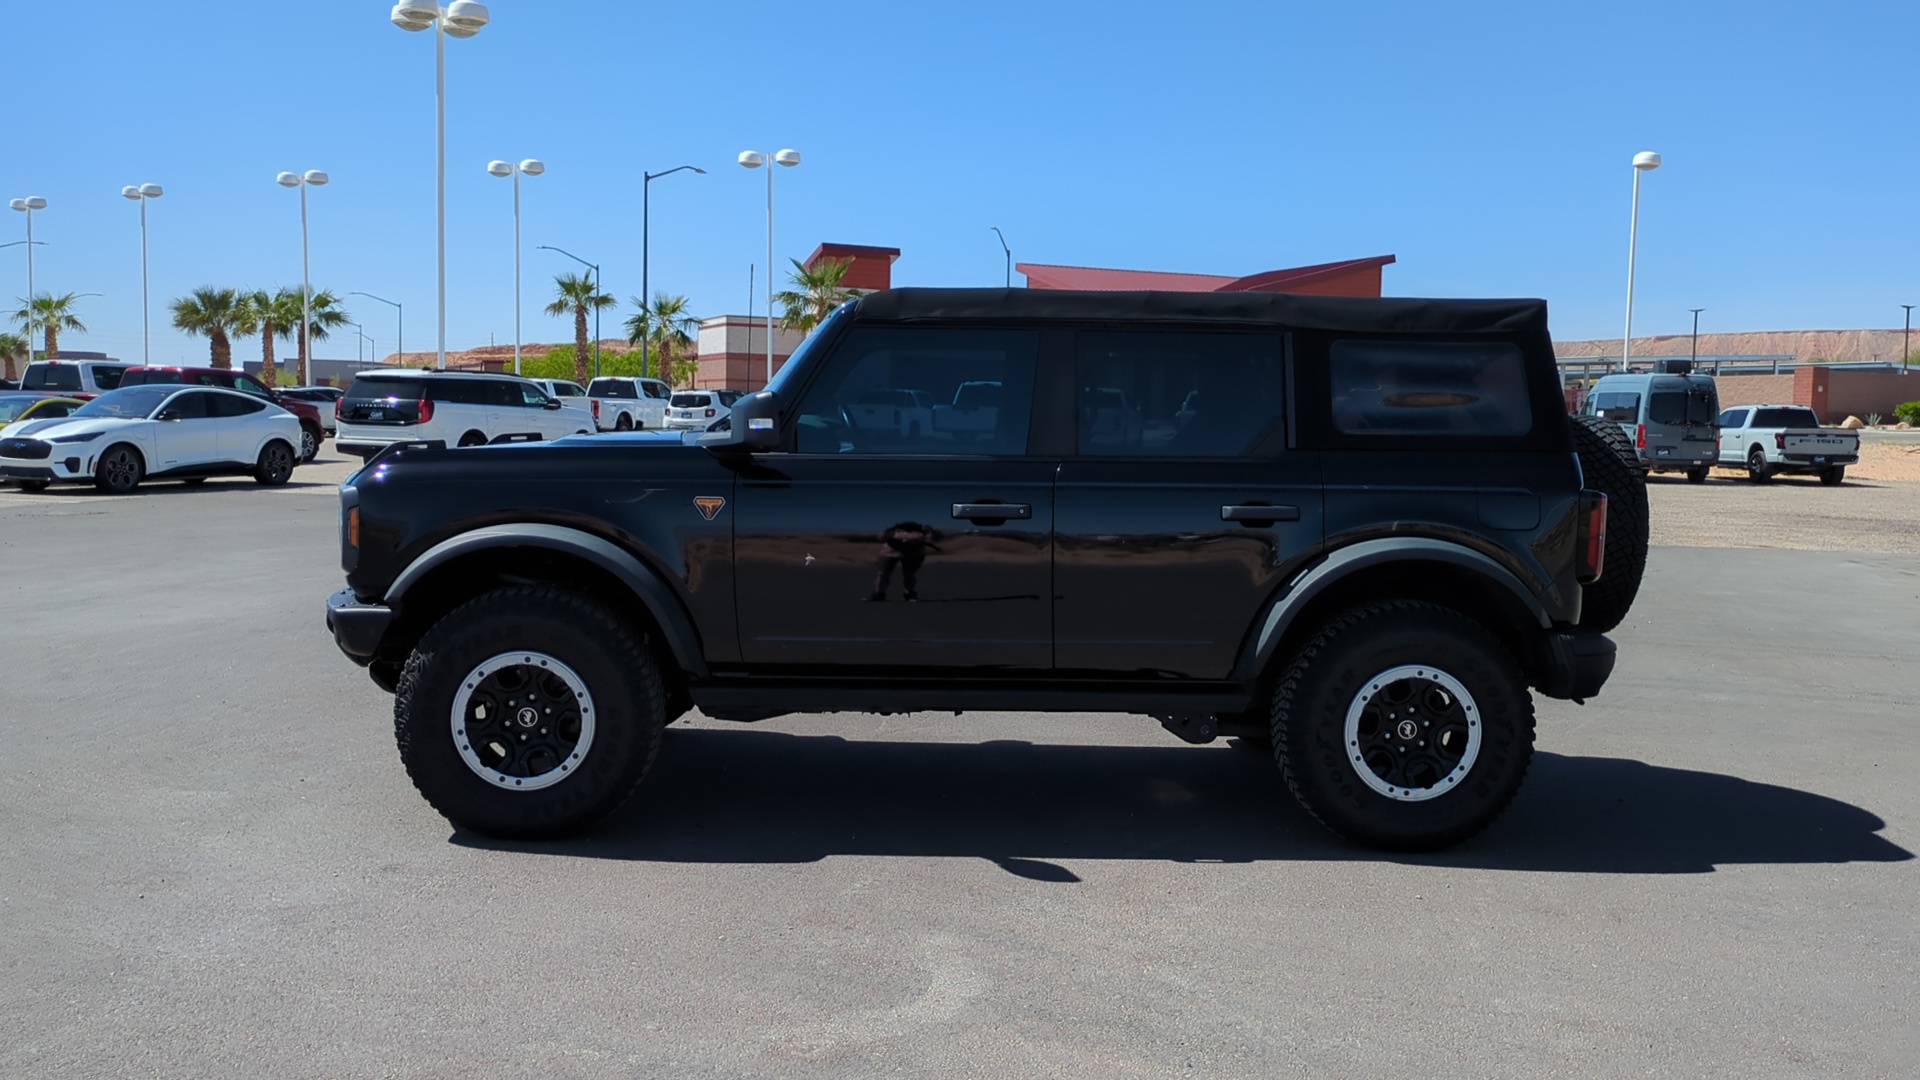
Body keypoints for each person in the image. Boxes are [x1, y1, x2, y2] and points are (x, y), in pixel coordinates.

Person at [869, 522, 939, 601]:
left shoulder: (922, 532)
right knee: (882, 574)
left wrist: (929, 532)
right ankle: (879, 594)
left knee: (909, 574)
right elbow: (881, 537)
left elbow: (931, 539)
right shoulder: (893, 531)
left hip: (913, 553)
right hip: (890, 552)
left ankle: (909, 594)